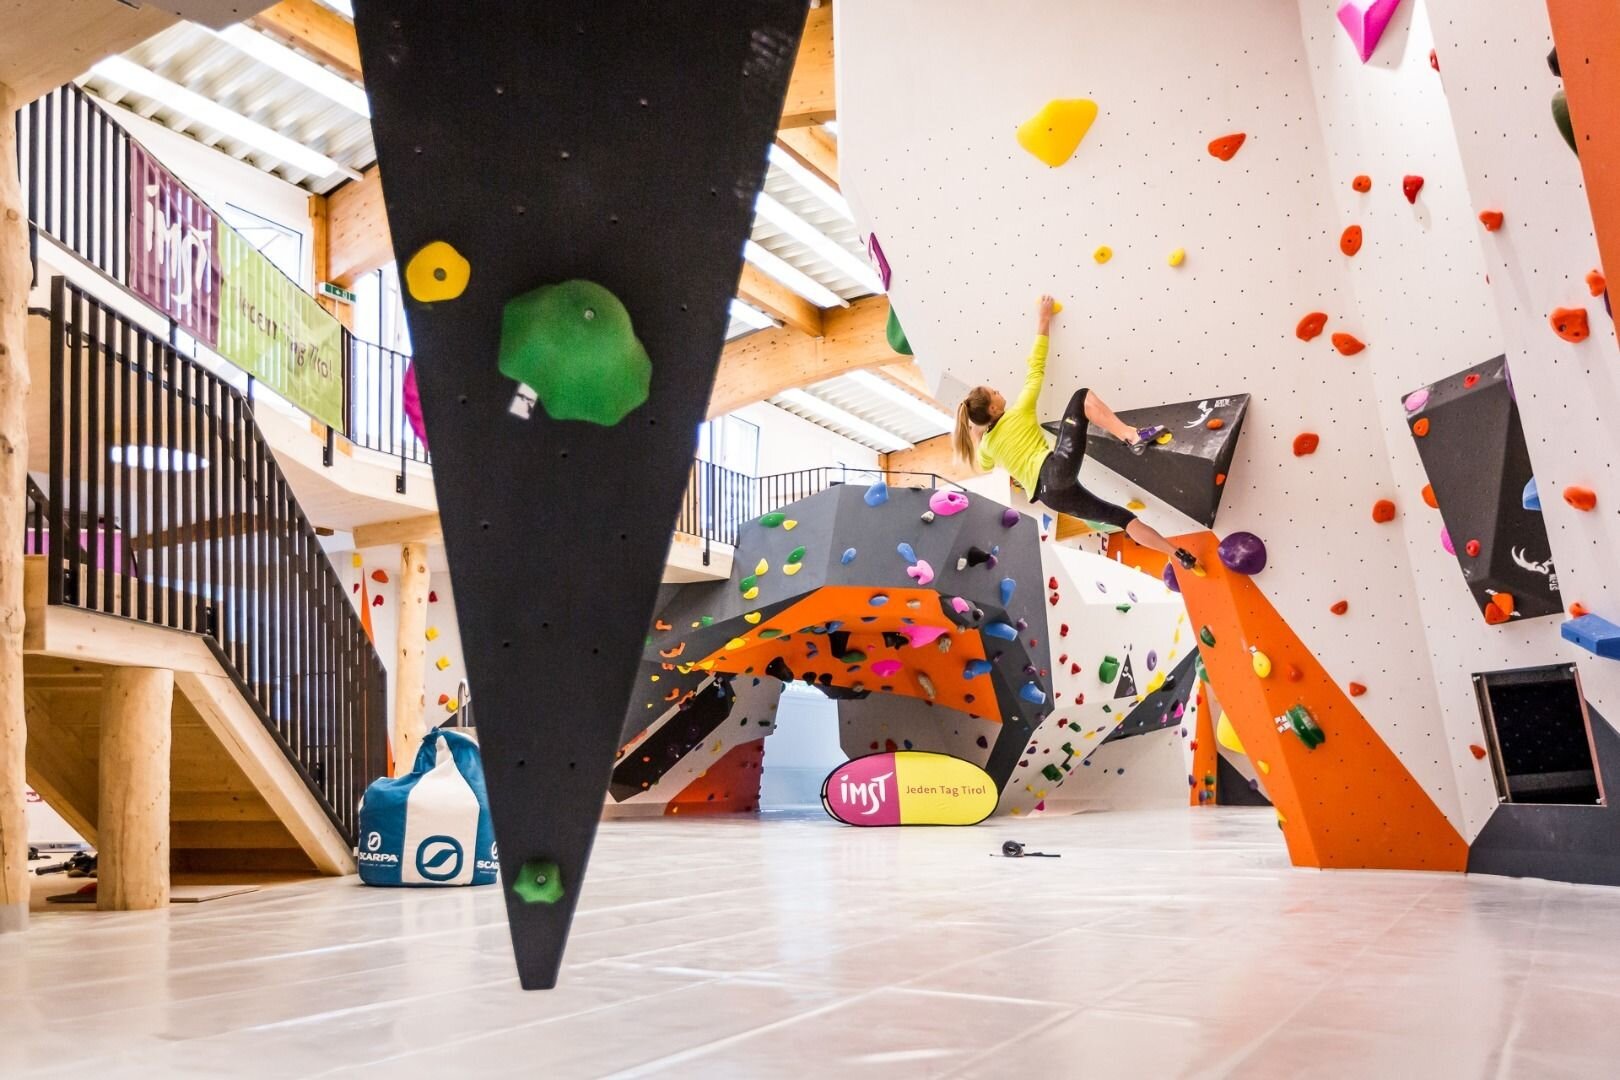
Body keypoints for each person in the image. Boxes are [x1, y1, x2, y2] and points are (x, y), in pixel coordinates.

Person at [952, 294, 1203, 573]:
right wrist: (1044, 319)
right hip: (1054, 471)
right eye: (994, 393)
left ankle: (1178, 554)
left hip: (1052, 498)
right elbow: (1036, 366)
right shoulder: (1018, 411)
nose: (999, 391)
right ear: (993, 408)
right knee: (1082, 396)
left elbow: (985, 465)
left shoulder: (986, 447)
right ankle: (1131, 436)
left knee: (1121, 517)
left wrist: (977, 437)